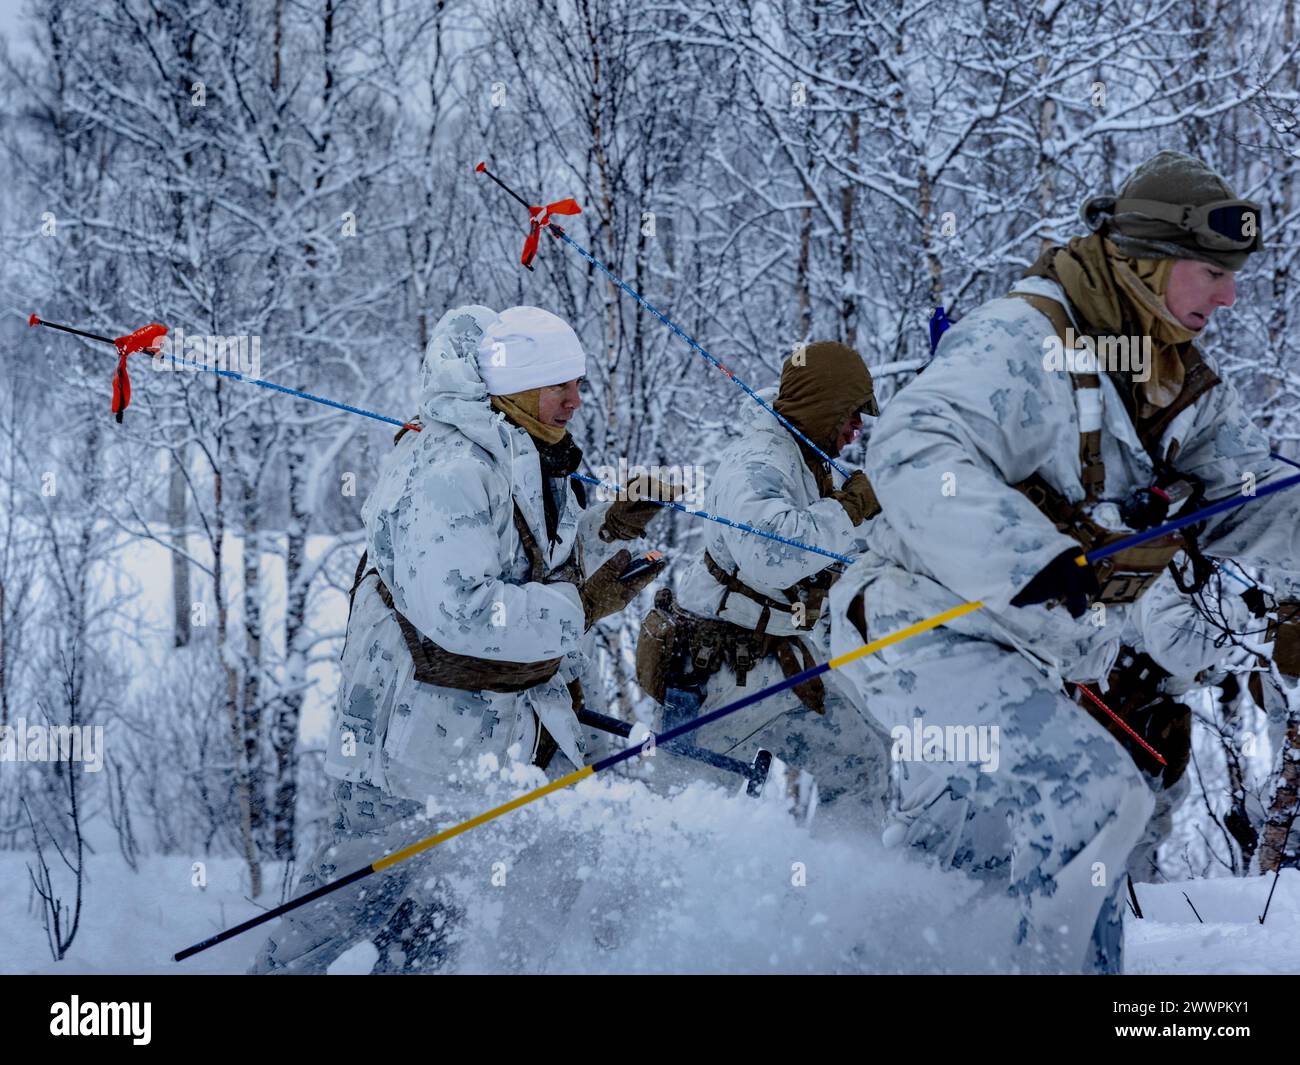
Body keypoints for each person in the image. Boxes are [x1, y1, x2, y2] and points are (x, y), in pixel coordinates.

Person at [829, 149, 1299, 972]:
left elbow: (1249, 497)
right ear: (1149, 262)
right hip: (920, 632)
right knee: (1094, 798)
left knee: (971, 886)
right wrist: (1033, 557)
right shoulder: (1026, 340)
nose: (1228, 295)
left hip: (1026, 660)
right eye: (1210, 272)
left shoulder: (1168, 379)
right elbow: (909, 447)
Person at [250, 304, 667, 973]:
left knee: (428, 935)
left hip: (462, 748)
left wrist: (609, 528)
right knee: (338, 918)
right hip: (403, 753)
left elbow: (528, 564)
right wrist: (579, 608)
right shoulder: (448, 464)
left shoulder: (522, 453)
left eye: (577, 381)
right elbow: (466, 608)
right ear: (507, 381)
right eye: (558, 382)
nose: (574, 398)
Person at [636, 340, 892, 830]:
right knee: (682, 825)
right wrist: (851, 509)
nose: (857, 428)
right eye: (851, 414)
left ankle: (847, 894)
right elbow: (774, 555)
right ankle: (642, 901)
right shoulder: (758, 463)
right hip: (718, 678)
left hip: (773, 663)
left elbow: (834, 545)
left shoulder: (805, 459)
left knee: (862, 760)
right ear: (822, 408)